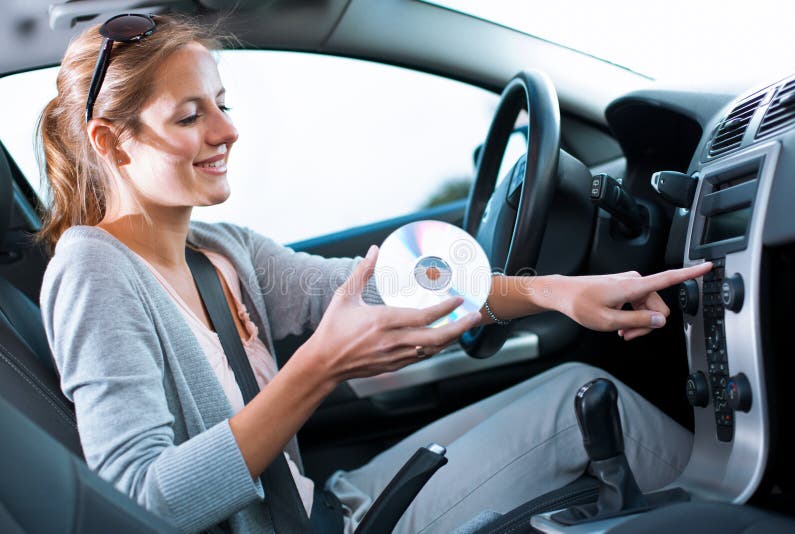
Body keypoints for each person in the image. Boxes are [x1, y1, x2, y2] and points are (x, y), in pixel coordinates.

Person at [36, 14, 711, 534]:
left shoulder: (220, 249)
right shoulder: (93, 267)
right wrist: (317, 369)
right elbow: (138, 505)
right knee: (598, 412)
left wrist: (553, 292)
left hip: (322, 507)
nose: (226, 130)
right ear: (110, 141)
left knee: (576, 385)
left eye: (222, 103)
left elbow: (396, 286)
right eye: (190, 115)